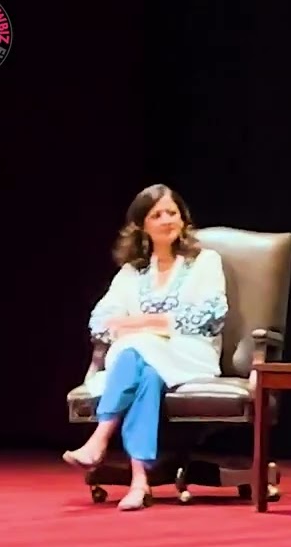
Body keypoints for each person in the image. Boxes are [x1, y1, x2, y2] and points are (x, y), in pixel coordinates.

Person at [62, 184, 228, 511]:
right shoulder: (133, 273)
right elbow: (101, 320)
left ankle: (100, 438)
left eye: (172, 213)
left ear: (183, 220)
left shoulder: (206, 262)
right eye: (157, 214)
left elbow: (209, 315)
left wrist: (140, 322)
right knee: (147, 371)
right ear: (142, 225)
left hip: (190, 353)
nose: (167, 220)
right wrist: (144, 324)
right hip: (147, 358)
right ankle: (140, 482)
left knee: (136, 345)